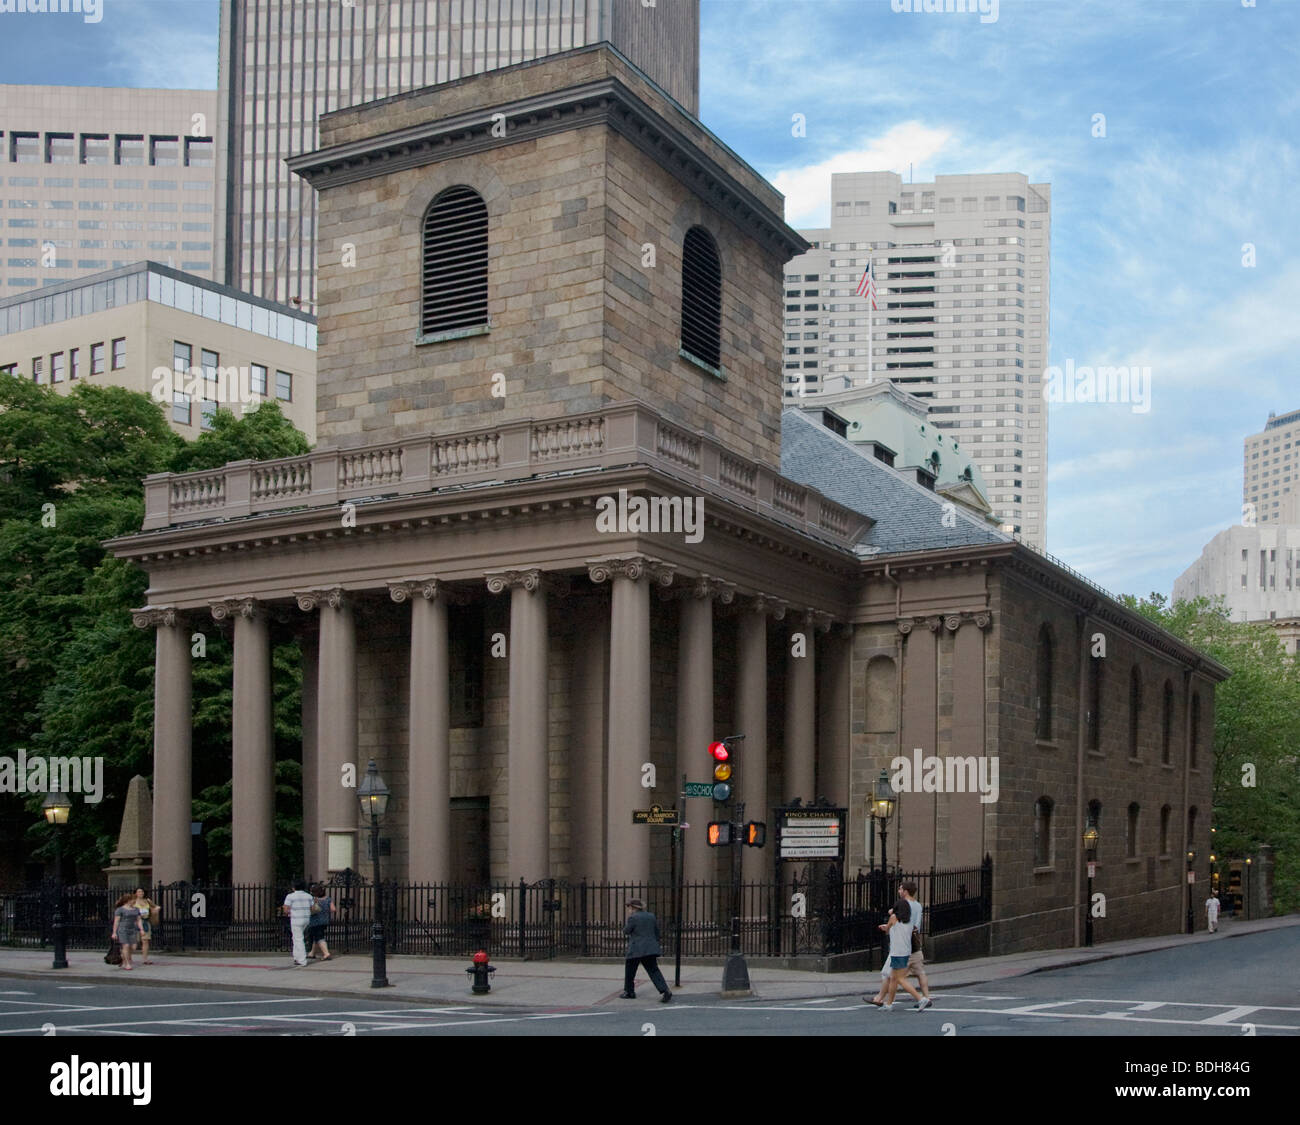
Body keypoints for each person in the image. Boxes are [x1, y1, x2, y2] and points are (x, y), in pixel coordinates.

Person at [864, 881, 930, 1009]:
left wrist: (887, 925)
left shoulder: (894, 918)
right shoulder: (910, 918)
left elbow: (888, 928)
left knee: (898, 978)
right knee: (894, 977)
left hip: (897, 952)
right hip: (906, 950)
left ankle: (921, 999)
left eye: (900, 889)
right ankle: (888, 1004)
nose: (899, 891)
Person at [621, 899, 672, 1003]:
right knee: (653, 970)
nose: (629, 910)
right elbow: (656, 932)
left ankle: (629, 992)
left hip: (636, 949)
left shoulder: (633, 918)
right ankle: (665, 990)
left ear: (634, 908)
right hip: (650, 948)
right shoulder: (651, 916)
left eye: (629, 908)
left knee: (630, 971)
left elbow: (626, 931)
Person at [282, 879, 315, 966]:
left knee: (298, 939)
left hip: (296, 919)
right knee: (296, 937)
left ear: (293, 887)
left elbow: (285, 909)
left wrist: (289, 912)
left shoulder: (290, 896)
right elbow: (312, 909)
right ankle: (296, 957)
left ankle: (302, 960)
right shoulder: (309, 896)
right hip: (306, 919)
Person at [111, 892, 141, 971]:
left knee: (134, 947)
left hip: (132, 929)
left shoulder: (136, 909)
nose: (134, 901)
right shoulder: (120, 909)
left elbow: (138, 920)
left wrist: (141, 929)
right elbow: (116, 921)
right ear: (128, 900)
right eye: (132, 899)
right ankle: (127, 963)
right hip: (123, 929)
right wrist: (114, 932)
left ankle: (123, 956)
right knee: (126, 946)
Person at [306, 883, 333, 961]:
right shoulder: (328, 899)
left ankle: (326, 954)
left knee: (320, 937)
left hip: (315, 921)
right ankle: (312, 953)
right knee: (316, 937)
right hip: (324, 920)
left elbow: (311, 909)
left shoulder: (313, 899)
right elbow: (333, 909)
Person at [132, 887, 158, 964]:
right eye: (139, 892)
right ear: (136, 893)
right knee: (134, 942)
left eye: (142, 891)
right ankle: (127, 957)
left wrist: (154, 911)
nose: (141, 893)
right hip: (136, 922)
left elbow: (155, 907)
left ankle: (145, 959)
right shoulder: (133, 902)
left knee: (145, 941)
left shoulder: (147, 901)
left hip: (145, 921)